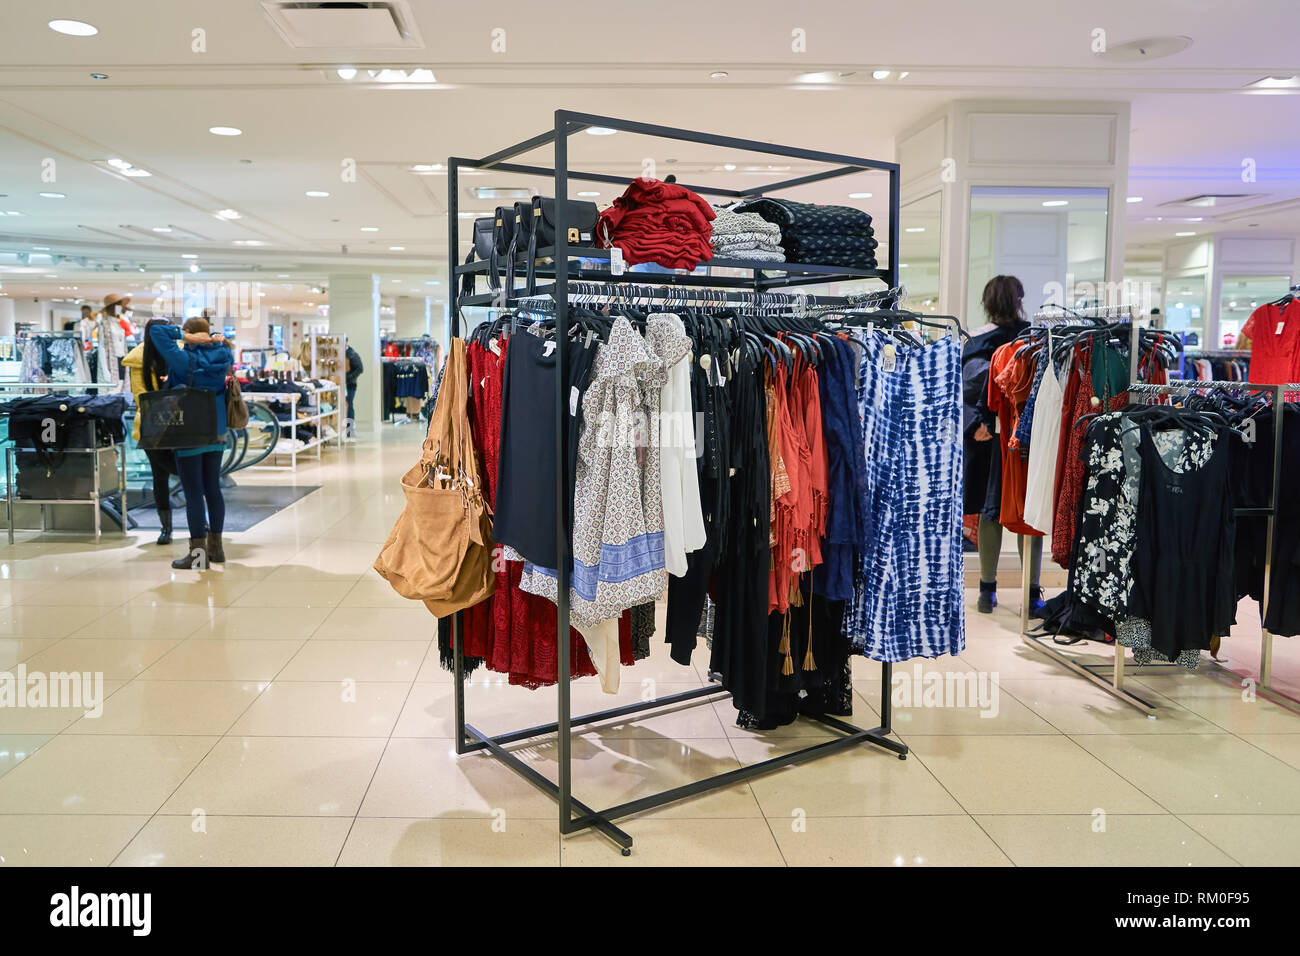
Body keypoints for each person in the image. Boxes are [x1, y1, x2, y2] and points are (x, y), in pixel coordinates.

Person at [962, 275, 1043, 615]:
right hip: (1024, 433)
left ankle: (987, 589)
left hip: (989, 435)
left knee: (988, 508)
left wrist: (974, 424)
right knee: (1029, 506)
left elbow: (961, 389)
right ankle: (1032, 590)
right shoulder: (1036, 339)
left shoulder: (978, 341)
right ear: (1020, 297)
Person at [147, 317, 233, 569]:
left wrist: (185, 337)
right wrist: (207, 336)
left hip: (189, 429)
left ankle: (198, 556)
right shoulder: (223, 353)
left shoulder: (183, 359)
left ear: (190, 334)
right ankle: (216, 550)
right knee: (213, 488)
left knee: (193, 491)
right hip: (216, 427)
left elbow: (156, 330)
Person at [122, 319, 177, 545]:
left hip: (171, 425)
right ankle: (167, 527)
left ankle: (187, 525)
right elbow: (140, 395)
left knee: (172, 474)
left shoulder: (175, 354)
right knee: (162, 475)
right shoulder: (139, 360)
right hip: (155, 426)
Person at [344, 343, 363, 441]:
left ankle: (350, 431)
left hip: (349, 385)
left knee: (349, 407)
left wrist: (349, 377)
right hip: (342, 384)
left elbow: (360, 368)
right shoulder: (343, 353)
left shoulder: (351, 354)